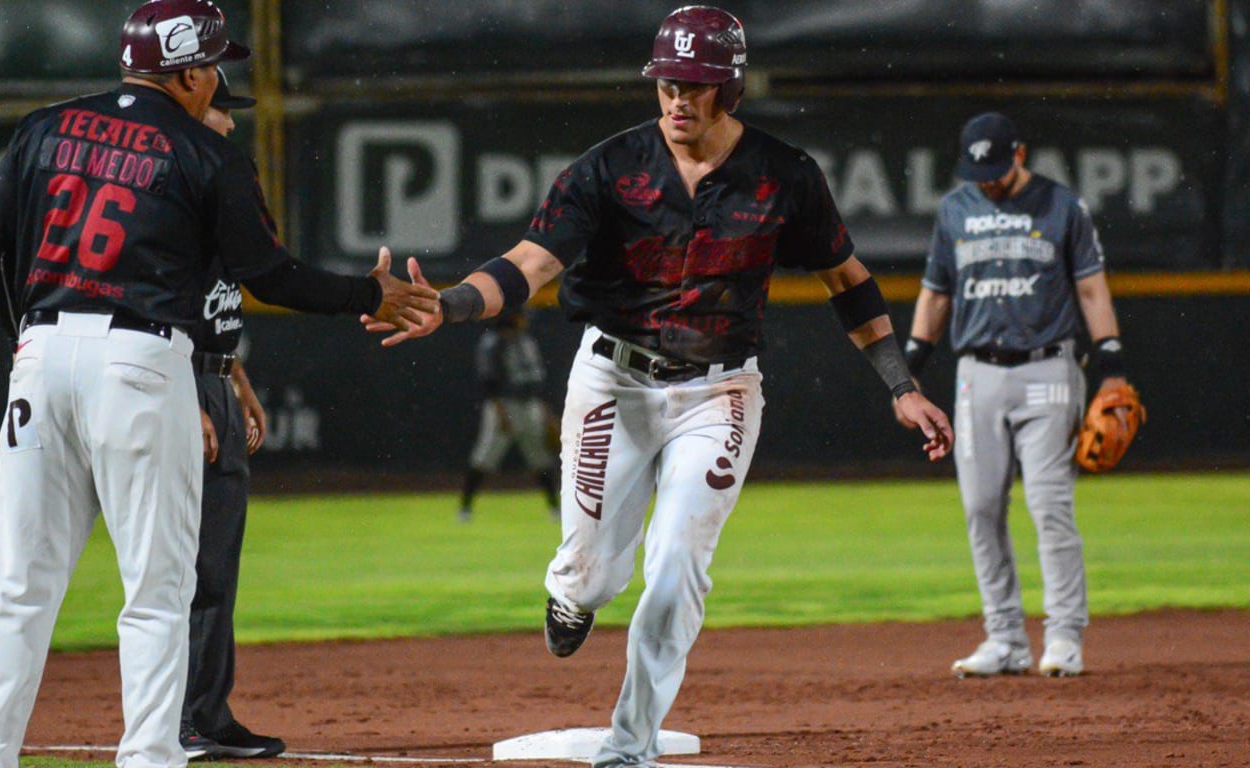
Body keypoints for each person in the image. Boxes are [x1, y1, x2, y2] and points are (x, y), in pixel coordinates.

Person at [364, 7, 953, 767]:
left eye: (697, 86)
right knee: (593, 568)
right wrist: (448, 304)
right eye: (669, 83)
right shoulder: (609, 169)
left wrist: (901, 386)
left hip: (721, 392)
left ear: (729, 90)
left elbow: (850, 280)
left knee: (676, 569)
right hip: (613, 378)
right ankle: (572, 590)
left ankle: (628, 745)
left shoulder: (784, 175)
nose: (678, 99)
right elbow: (530, 263)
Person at [0, 1, 436, 765]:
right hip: (140, 364)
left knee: (17, 591)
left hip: (39, 357)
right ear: (186, 72)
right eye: (213, 66)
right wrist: (368, 294)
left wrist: (21, 331)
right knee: (156, 593)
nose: (217, 81)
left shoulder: (45, 127)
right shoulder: (201, 153)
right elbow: (270, 276)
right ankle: (148, 757)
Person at [902, 112, 1131, 679]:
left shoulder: (1062, 206)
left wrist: (1112, 365)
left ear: (1020, 154)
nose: (988, 180)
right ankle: (1004, 638)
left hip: (1047, 371)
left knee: (1049, 506)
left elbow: (1090, 287)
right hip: (976, 373)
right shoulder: (955, 210)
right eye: (979, 170)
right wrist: (908, 370)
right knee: (981, 508)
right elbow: (935, 296)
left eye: (998, 169)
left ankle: (1064, 637)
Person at [177, 89, 283, 761]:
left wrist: (237, 384)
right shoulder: (173, 195)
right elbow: (157, 306)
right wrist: (186, 394)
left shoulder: (218, 192)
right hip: (173, 377)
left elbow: (214, 310)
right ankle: (182, 720)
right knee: (187, 568)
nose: (231, 121)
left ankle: (206, 715)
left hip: (212, 375)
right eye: (221, 110)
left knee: (214, 567)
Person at [457, 307, 561, 523]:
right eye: (520, 316)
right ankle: (465, 508)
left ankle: (555, 509)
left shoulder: (526, 341)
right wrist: (500, 411)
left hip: (530, 404)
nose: (524, 321)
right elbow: (488, 382)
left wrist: (545, 410)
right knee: (484, 456)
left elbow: (535, 380)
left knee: (540, 456)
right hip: (503, 404)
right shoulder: (493, 343)